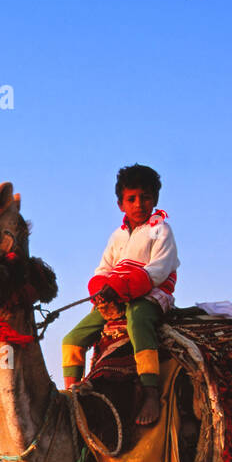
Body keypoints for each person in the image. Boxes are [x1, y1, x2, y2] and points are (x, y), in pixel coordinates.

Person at [62, 164, 178, 426]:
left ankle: (150, 391)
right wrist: (101, 292)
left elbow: (158, 270)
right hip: (116, 299)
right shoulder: (117, 236)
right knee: (72, 338)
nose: (139, 204)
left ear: (155, 199)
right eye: (132, 199)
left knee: (138, 321)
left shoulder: (161, 230)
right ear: (120, 204)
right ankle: (72, 394)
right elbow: (103, 268)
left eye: (146, 197)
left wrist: (122, 289)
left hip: (150, 295)